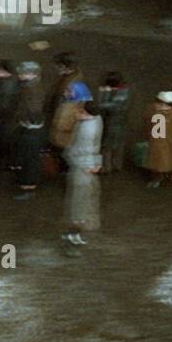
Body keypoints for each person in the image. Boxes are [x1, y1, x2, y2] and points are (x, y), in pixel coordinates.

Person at [63, 102, 102, 246]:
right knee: (82, 201)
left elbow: (77, 151)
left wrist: (88, 165)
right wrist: (96, 162)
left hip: (82, 168)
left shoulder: (86, 130)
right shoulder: (96, 120)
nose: (76, 112)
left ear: (86, 113)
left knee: (79, 202)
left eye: (80, 110)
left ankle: (74, 232)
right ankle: (74, 232)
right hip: (86, 167)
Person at [12, 61, 47, 201]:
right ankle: (27, 185)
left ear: (33, 74)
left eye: (24, 73)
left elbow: (33, 110)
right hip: (31, 127)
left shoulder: (32, 89)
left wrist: (26, 120)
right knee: (29, 157)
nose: (20, 75)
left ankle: (29, 187)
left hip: (31, 128)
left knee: (30, 158)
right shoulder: (31, 87)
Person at [142, 91, 172, 187]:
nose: (158, 105)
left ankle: (159, 176)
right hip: (158, 142)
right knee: (159, 160)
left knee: (161, 160)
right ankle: (158, 176)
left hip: (165, 142)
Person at [95, 72, 131, 174]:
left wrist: (104, 93)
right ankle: (117, 165)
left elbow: (103, 105)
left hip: (112, 122)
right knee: (119, 145)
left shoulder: (120, 96)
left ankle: (106, 167)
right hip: (121, 121)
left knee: (107, 146)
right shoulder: (125, 90)